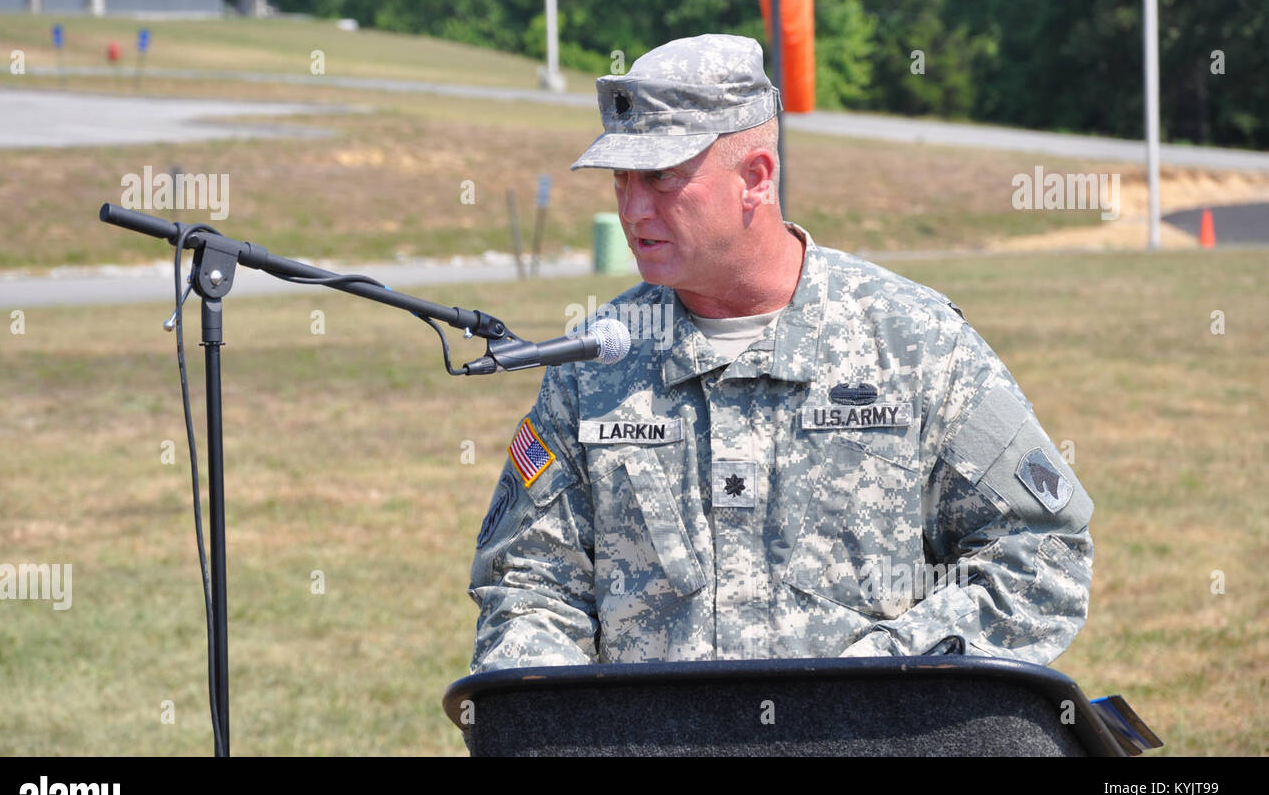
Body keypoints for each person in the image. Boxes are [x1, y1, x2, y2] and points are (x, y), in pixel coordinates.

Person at [467, 34, 1093, 673]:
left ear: (755, 179)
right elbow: (530, 586)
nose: (632, 209)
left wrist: (880, 680)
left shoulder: (913, 344)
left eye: (659, 177)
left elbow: (1041, 551)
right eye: (621, 181)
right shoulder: (596, 365)